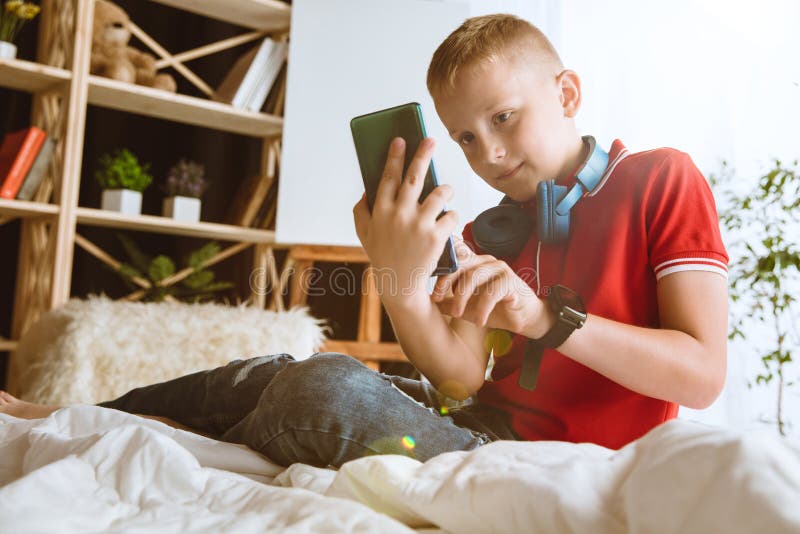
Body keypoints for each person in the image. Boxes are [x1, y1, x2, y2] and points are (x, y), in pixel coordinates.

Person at [0, 14, 728, 466]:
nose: (489, 153)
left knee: (325, 390)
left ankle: (168, 438)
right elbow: (461, 382)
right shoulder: (486, 233)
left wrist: (544, 320)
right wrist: (398, 279)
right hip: (476, 424)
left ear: (566, 94)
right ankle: (78, 421)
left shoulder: (660, 180)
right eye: (468, 137)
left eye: (505, 118)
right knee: (281, 366)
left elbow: (701, 374)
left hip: (550, 458)